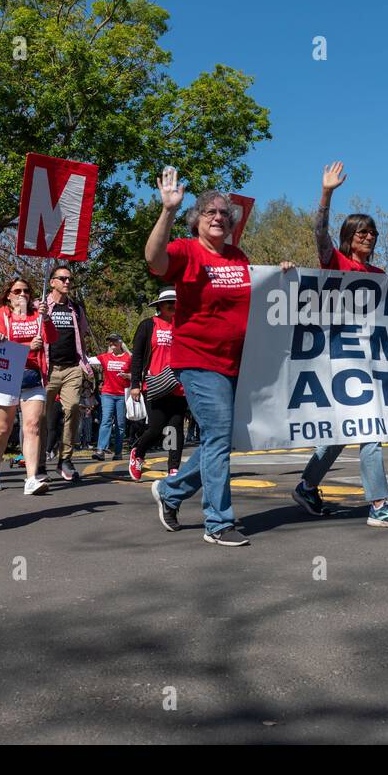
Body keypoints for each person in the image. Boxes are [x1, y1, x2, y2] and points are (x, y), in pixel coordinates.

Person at [145, 168, 295, 546]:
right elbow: (155, 260)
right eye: (210, 212)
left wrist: (278, 275)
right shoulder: (186, 250)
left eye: (224, 214)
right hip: (197, 360)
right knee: (217, 434)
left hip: (236, 364)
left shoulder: (238, 257)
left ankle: (170, 491)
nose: (217, 217)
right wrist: (167, 211)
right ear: (197, 220)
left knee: (221, 438)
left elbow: (257, 296)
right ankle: (218, 522)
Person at [290, 161, 388, 527]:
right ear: (348, 236)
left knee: (342, 432)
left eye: (372, 233)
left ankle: (307, 487)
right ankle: (379, 504)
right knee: (370, 429)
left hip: (371, 362)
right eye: (361, 232)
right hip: (338, 358)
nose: (368, 237)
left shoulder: (378, 275)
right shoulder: (335, 262)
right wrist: (327, 193)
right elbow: (319, 234)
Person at [0, 276, 55, 495]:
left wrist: (47, 320)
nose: (22, 294)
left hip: (33, 377)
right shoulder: (0, 316)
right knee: (3, 429)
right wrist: (25, 345)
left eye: (26, 291)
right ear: (8, 295)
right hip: (6, 374)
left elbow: (51, 337)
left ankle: (31, 478)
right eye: (17, 291)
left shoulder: (38, 316)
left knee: (32, 426)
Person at [125, 288, 188, 480]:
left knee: (176, 427)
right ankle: (138, 451)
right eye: (168, 302)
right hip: (154, 384)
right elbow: (137, 357)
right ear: (160, 305)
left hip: (179, 386)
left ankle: (173, 468)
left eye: (175, 302)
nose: (173, 305)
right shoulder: (148, 325)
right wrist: (135, 383)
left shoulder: (184, 326)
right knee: (157, 427)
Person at [42, 264, 95, 483]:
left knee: (73, 408)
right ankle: (39, 462)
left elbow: (81, 338)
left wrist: (85, 367)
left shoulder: (77, 309)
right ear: (52, 281)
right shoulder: (40, 306)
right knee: (40, 417)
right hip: (48, 368)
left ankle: (65, 459)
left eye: (69, 279)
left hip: (72, 368)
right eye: (62, 278)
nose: (67, 282)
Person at [90, 333, 132, 462]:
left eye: (114, 341)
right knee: (106, 420)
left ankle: (118, 452)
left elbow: (137, 374)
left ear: (120, 343)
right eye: (110, 342)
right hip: (107, 393)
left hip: (122, 395)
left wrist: (128, 376)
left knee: (120, 424)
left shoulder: (129, 358)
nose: (111, 344)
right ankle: (101, 450)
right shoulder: (105, 357)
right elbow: (88, 360)